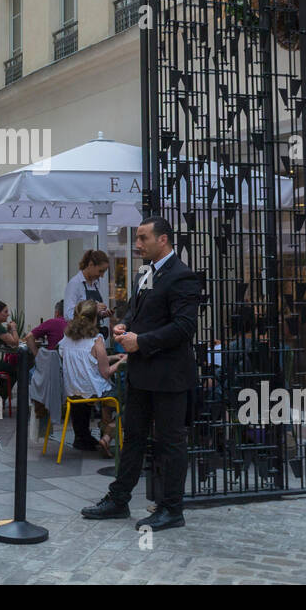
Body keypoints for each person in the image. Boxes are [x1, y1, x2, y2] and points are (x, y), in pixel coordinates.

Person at [82, 216, 200, 531]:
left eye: (143, 238)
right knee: (132, 437)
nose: (137, 244)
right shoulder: (144, 273)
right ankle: (118, 500)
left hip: (170, 377)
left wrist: (141, 341)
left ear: (163, 240)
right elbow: (137, 313)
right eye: (137, 237)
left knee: (170, 442)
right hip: (141, 373)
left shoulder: (183, 277)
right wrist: (125, 326)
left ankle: (172, 508)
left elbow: (184, 327)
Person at [60, 300, 128, 455]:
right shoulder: (96, 340)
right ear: (95, 319)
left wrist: (113, 357)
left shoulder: (66, 339)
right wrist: (122, 361)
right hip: (94, 391)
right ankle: (108, 432)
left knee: (108, 398)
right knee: (127, 396)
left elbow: (85, 360)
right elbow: (105, 372)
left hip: (73, 391)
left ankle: (106, 429)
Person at [25, 301, 68, 440]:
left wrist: (37, 355)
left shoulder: (53, 322)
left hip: (53, 372)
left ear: (57, 312)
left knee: (31, 374)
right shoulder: (77, 325)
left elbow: (29, 337)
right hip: (69, 372)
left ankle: (39, 417)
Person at [64, 249, 112, 339]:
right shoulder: (75, 284)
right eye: (100, 271)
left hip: (93, 334)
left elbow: (93, 313)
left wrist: (102, 314)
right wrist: (93, 309)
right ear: (90, 265)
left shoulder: (96, 283)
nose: (102, 275)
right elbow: (68, 314)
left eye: (104, 272)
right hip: (79, 337)